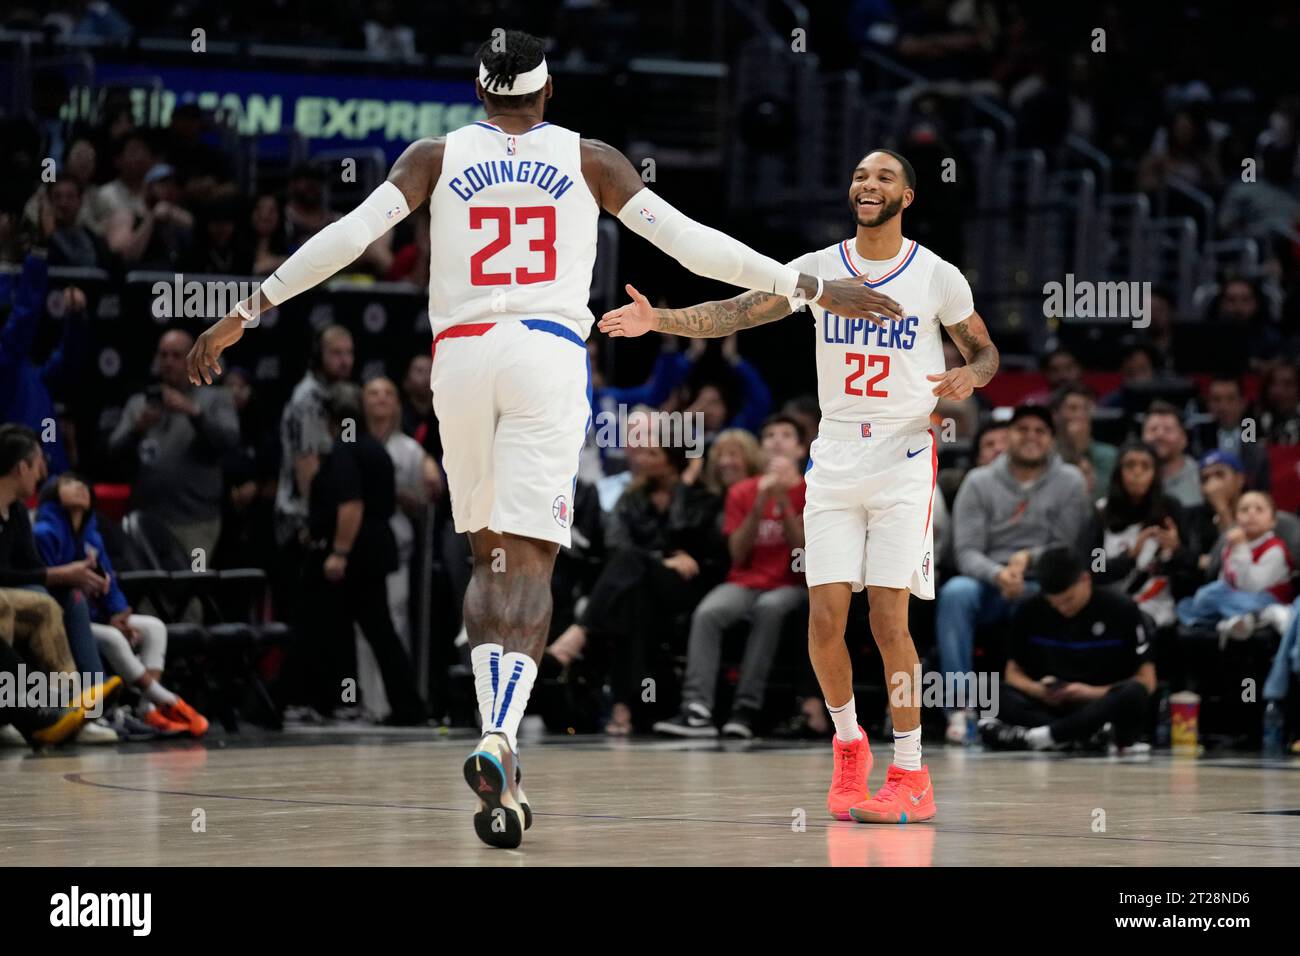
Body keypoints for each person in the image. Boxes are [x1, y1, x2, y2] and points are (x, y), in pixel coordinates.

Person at [186, 30, 900, 849]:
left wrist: (246, 309)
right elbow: (687, 241)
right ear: (548, 91)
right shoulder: (588, 157)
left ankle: (503, 755)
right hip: (545, 355)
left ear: (478, 92)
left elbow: (348, 237)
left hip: (457, 360)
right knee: (530, 562)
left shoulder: (433, 155)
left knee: (488, 555)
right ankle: (498, 735)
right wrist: (805, 284)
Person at [601, 147, 1001, 824]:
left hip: (903, 454)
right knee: (823, 618)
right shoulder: (816, 270)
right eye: (859, 175)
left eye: (882, 177)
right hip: (835, 455)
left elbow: (986, 351)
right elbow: (737, 312)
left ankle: (911, 769)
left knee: (888, 619)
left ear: (907, 197)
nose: (866, 183)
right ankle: (850, 747)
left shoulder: (937, 276)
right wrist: (660, 321)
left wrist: (971, 376)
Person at [934, 405, 1091, 744]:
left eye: (1040, 430)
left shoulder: (1070, 482)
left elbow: (1067, 548)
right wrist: (999, 575)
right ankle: (959, 708)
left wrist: (1027, 560)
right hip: (988, 582)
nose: (1031, 437)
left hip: (1042, 581)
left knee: (1063, 595)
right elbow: (965, 551)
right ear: (1009, 437)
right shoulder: (979, 481)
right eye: (1023, 429)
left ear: (1050, 439)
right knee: (955, 593)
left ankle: (1047, 707)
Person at [654, 414, 808, 739]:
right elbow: (738, 554)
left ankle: (745, 709)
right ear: (761, 448)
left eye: (785, 435)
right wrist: (761, 503)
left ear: (800, 448)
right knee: (709, 612)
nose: (776, 441)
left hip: (792, 583)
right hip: (744, 581)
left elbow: (804, 552)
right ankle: (697, 710)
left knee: (770, 608)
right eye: (768, 435)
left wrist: (782, 498)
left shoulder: (813, 490)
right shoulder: (742, 491)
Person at [33, 472, 209, 737]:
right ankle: (169, 700)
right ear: (51, 492)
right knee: (115, 639)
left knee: (154, 627)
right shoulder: (43, 533)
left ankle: (148, 710)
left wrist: (118, 612)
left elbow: (110, 582)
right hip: (65, 619)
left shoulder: (93, 536)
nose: (80, 487)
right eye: (70, 484)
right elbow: (43, 585)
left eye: (83, 484)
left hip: (97, 616)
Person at [303, 383, 427, 725]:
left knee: (343, 629)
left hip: (358, 554)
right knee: (376, 630)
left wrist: (339, 552)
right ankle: (400, 706)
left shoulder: (347, 449)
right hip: (373, 549)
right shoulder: (372, 447)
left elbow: (352, 505)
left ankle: (333, 702)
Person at [979, 546, 1156, 752]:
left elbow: (1147, 681)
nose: (1063, 608)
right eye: (1055, 604)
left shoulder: (1123, 610)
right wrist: (1038, 690)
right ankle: (1077, 737)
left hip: (1099, 704)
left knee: (1134, 693)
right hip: (1051, 705)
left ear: (1085, 580)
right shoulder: (1029, 610)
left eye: (1068, 600)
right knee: (987, 689)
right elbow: (1013, 673)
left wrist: (1089, 693)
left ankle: (1044, 736)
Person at [108, 329, 239, 560]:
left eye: (177, 356)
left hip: (196, 522)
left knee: (191, 590)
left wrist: (194, 413)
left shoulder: (215, 399)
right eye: (163, 355)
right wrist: (137, 430)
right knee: (149, 593)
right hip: (146, 520)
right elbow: (112, 454)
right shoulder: (139, 403)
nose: (168, 362)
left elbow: (228, 443)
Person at [1091, 442, 1196, 628]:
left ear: (1155, 473)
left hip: (1161, 610)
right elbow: (1095, 570)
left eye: (1145, 466)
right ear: (1118, 472)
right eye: (1130, 465)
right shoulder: (1101, 513)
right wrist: (1130, 557)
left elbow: (1192, 568)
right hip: (1111, 606)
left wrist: (1176, 550)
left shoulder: (1171, 510)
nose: (1137, 473)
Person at [1176, 491, 1294, 639]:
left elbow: (1251, 587)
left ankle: (1261, 615)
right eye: (1244, 510)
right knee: (1186, 604)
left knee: (1213, 599)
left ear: (1273, 521)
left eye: (1259, 509)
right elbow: (1224, 580)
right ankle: (1234, 621)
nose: (1251, 513)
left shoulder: (1274, 548)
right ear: (1236, 519)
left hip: (1264, 598)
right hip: (1232, 597)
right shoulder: (1230, 546)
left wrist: (1242, 548)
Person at [1141, 401, 1204, 509]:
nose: (1159, 435)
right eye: (1153, 429)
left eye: (1168, 429)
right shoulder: (1130, 476)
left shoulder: (1202, 476)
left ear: (1183, 439)